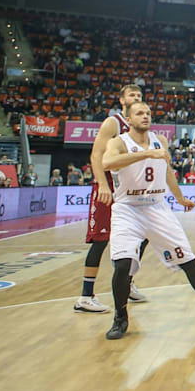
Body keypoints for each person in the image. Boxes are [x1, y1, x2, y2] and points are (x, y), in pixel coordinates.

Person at [100, 101, 195, 339]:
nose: (145, 116)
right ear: (128, 119)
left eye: (148, 112)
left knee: (188, 259)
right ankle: (120, 317)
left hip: (157, 207)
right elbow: (107, 163)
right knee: (123, 265)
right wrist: (145, 153)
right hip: (127, 209)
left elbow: (166, 172)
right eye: (139, 113)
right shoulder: (119, 141)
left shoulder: (160, 141)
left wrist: (180, 197)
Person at [74, 84, 147, 314]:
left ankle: (127, 282)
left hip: (127, 189)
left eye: (139, 95)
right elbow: (96, 155)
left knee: (142, 235)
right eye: (132, 95)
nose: (136, 98)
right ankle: (85, 296)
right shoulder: (113, 123)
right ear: (122, 100)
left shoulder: (138, 125)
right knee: (101, 240)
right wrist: (102, 185)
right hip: (107, 188)